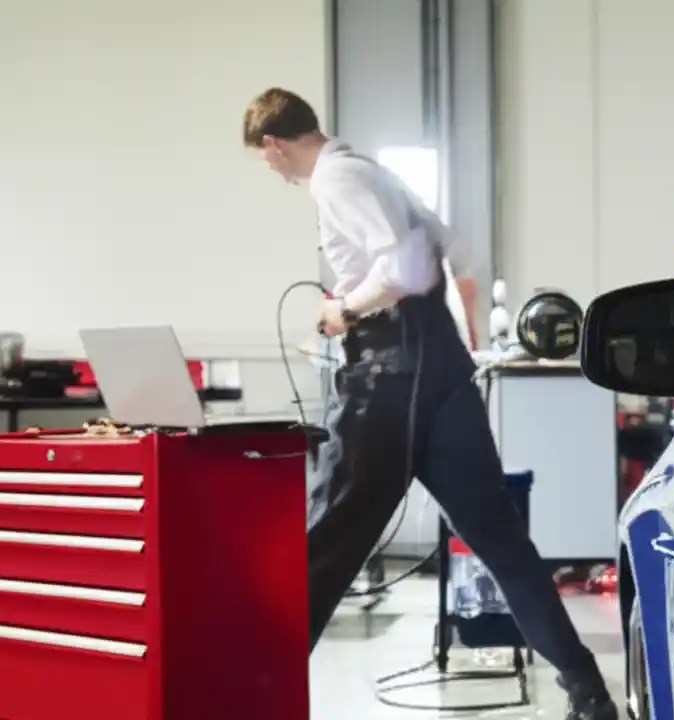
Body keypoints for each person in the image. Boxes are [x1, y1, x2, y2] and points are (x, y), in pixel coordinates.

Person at [242, 88, 617, 720]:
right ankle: (589, 693)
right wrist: (457, 337)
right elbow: (450, 247)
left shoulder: (335, 179)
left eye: (265, 158)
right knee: (503, 544)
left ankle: (249, 698)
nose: (272, 170)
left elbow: (408, 267)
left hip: (392, 380)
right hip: (441, 375)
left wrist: (343, 308)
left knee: (322, 543)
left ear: (275, 144)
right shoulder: (375, 172)